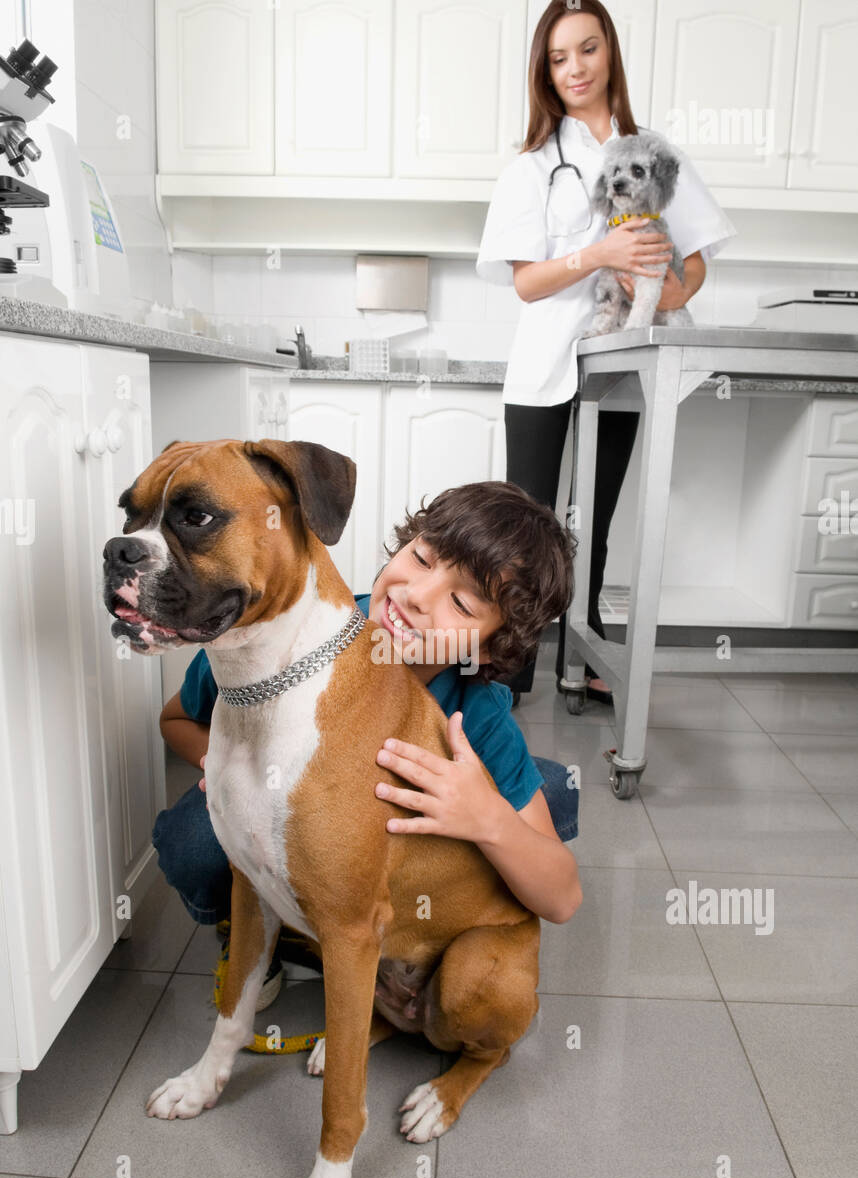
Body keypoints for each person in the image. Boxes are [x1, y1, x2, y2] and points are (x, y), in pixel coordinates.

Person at [152, 480, 582, 1008]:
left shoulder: (477, 712)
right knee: (194, 842)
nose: (416, 596)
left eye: (463, 606)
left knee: (553, 793)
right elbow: (174, 717)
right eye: (422, 558)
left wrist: (485, 816)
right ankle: (265, 932)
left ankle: (357, 921)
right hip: (266, 809)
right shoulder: (286, 630)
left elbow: (562, 899)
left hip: (378, 843)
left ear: (491, 647)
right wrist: (222, 760)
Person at [477, 0, 736, 705]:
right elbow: (528, 283)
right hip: (542, 364)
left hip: (619, 362)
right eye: (559, 58)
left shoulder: (652, 154)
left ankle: (585, 643)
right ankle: (512, 666)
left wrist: (651, 282)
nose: (575, 69)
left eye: (586, 50)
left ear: (609, 53)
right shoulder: (534, 165)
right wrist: (598, 253)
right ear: (546, 71)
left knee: (595, 513)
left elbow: (696, 266)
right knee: (524, 521)